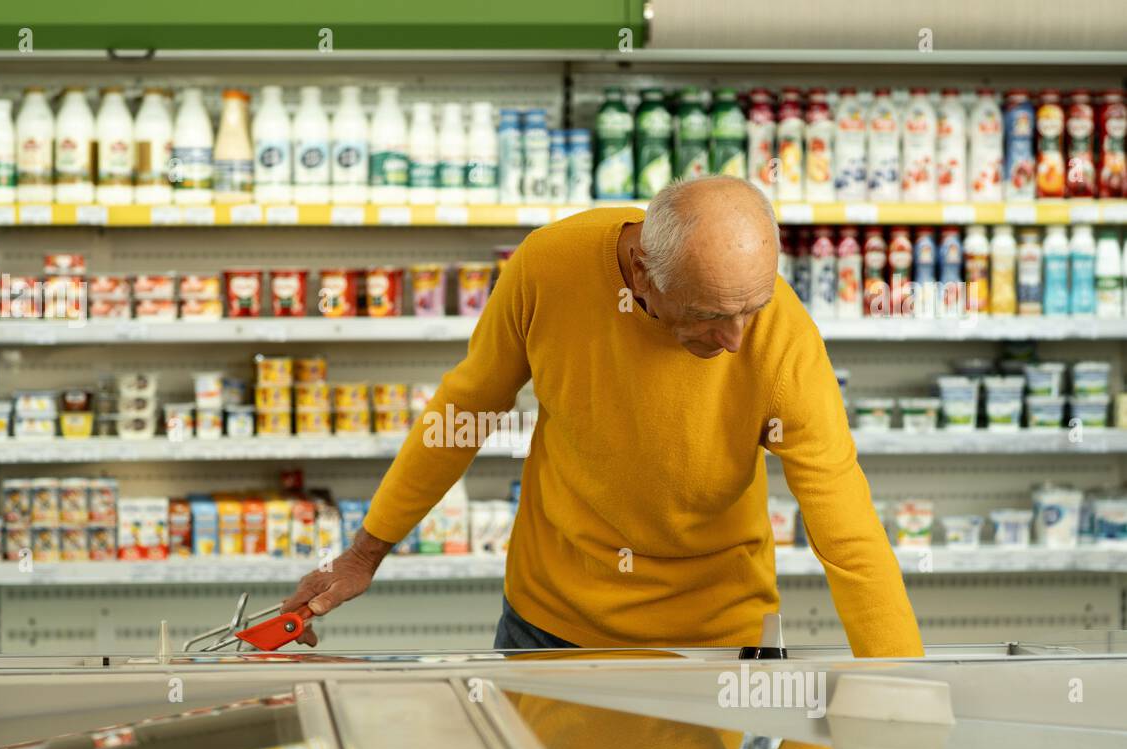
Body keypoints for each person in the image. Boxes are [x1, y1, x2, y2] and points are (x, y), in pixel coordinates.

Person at [280, 176, 923, 658]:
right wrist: (365, 553)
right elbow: (466, 410)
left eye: (752, 306)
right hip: (549, 627)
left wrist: (903, 687)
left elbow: (847, 525)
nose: (735, 339)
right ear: (642, 273)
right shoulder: (548, 268)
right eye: (706, 316)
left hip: (718, 643)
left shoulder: (781, 338)